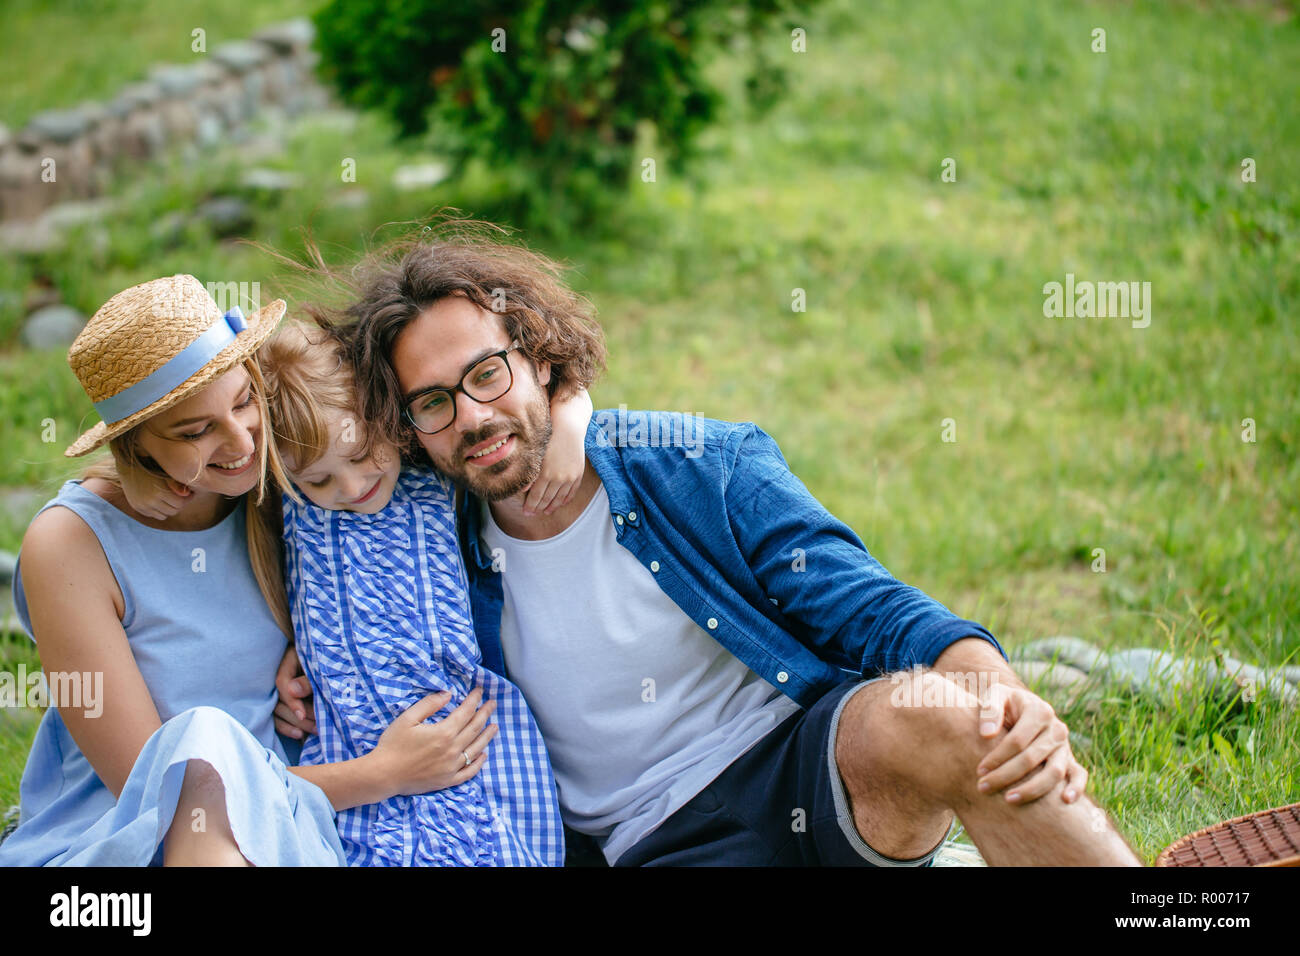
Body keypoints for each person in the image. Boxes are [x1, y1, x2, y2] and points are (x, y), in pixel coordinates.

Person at [308, 221, 1143, 867]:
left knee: (973, 724)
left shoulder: (695, 463)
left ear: (537, 355)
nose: (473, 418)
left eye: (487, 375)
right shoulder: (427, 550)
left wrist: (1002, 696)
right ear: (409, 428)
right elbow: (281, 432)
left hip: (810, 761)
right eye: (433, 404)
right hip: (658, 843)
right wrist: (289, 648)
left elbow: (879, 611)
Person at [0, 275, 459, 866]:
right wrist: (378, 774)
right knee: (202, 740)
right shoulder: (68, 546)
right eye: (196, 431)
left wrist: (309, 651)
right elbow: (159, 796)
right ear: (137, 445)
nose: (241, 440)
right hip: (129, 842)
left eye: (244, 401)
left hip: (285, 825)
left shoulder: (280, 490)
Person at [252, 321, 584, 864]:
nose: (352, 488)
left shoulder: (427, 464)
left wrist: (571, 422)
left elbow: (557, 375)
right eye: (319, 481)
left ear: (385, 413)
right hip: (356, 747)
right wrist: (299, 644)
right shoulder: (288, 498)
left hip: (465, 728)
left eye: (361, 454)